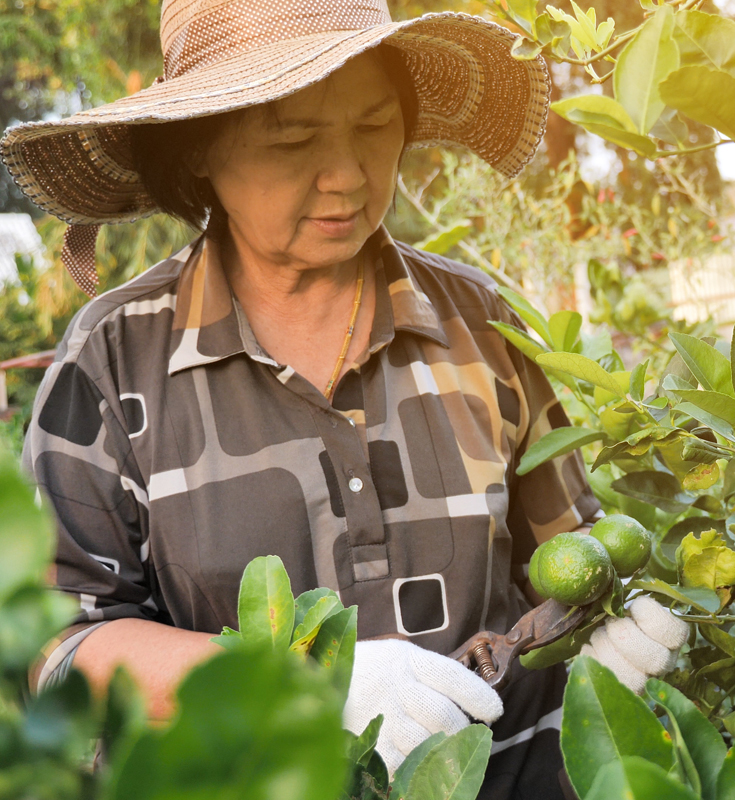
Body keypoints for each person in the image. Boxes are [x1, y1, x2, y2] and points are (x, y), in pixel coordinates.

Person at [2, 1, 689, 797]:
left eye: (373, 126)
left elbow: (571, 555)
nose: (349, 176)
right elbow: (55, 649)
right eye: (293, 139)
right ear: (198, 151)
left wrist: (607, 626)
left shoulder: (481, 325)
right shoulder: (116, 361)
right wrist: (302, 689)